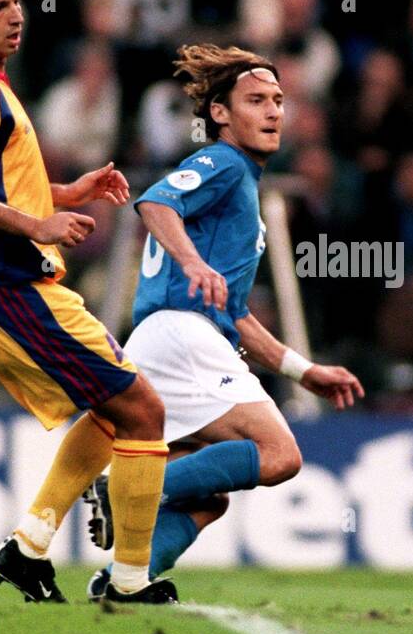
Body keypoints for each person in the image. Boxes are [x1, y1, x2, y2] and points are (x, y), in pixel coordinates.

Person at [0, 0, 173, 607]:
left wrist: (66, 193)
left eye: (18, 1)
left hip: (15, 284)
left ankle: (27, 549)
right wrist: (37, 227)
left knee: (120, 411)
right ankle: (130, 581)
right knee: (141, 408)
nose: (16, 15)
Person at [84, 43, 364, 598]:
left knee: (208, 498)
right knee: (279, 456)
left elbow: (237, 317)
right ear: (220, 114)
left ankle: (124, 581)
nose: (273, 111)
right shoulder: (223, 162)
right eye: (256, 100)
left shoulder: (243, 188)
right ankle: (125, 489)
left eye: (279, 101)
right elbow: (155, 202)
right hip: (182, 336)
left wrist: (305, 372)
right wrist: (191, 262)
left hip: (170, 340)